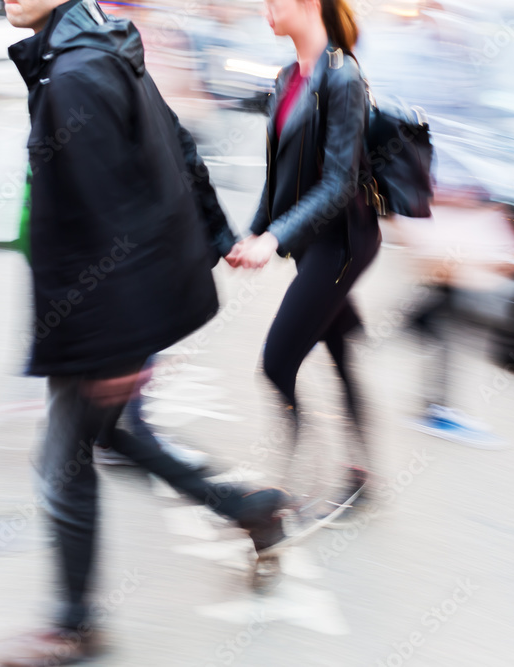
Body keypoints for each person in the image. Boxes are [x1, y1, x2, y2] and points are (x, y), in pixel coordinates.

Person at [0, 2, 288, 665]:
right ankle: (250, 508)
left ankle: (75, 626)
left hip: (101, 313)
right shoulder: (95, 51)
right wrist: (218, 235)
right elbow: (179, 145)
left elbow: (104, 218)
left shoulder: (76, 71)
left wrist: (112, 344)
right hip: (111, 309)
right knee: (120, 434)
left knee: (63, 464)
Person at [226, 0, 380, 513]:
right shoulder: (288, 75)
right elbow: (280, 176)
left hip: (342, 244)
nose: (263, 8)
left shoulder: (343, 77)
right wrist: (251, 233)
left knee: (276, 362)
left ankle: (298, 478)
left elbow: (339, 183)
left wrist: (274, 239)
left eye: (272, 1)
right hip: (314, 242)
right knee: (339, 352)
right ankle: (361, 476)